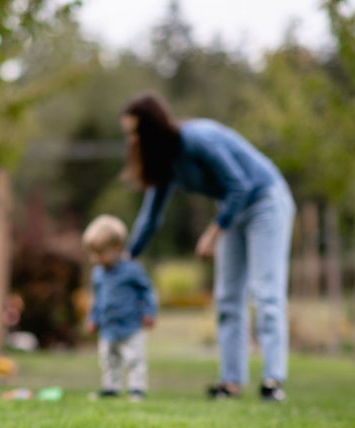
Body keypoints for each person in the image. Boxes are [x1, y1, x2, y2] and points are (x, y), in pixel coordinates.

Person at [121, 92, 294, 402]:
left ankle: (272, 380)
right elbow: (150, 217)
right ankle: (231, 382)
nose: (131, 140)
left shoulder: (196, 138)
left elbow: (239, 184)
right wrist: (127, 256)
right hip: (232, 210)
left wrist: (214, 232)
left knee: (265, 292)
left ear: (152, 130)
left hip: (265, 200)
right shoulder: (166, 162)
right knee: (227, 297)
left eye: (135, 132)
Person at [83, 214, 158, 402]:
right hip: (108, 327)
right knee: (108, 359)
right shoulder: (98, 274)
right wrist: (93, 318)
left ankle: (137, 389)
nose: (95, 259)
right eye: (93, 253)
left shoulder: (132, 270)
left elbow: (147, 291)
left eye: (100, 253)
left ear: (117, 248)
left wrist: (149, 312)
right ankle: (111, 387)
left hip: (131, 325)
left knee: (134, 359)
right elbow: (98, 298)